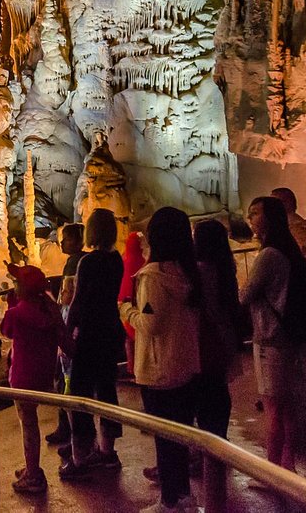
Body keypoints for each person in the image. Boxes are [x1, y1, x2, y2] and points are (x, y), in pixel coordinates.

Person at [120, 207, 202, 513]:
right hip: (184, 365)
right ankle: (183, 496)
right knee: (179, 437)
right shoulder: (186, 272)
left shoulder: (154, 277)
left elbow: (150, 325)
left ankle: (169, 502)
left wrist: (125, 309)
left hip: (158, 370)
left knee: (166, 441)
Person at [59, 209, 125, 481]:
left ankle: (80, 456)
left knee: (79, 393)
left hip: (89, 333)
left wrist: (65, 333)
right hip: (110, 330)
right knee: (107, 390)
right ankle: (108, 452)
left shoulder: (87, 263)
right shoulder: (116, 260)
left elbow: (78, 303)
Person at [240, 196, 303, 470]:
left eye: (255, 214)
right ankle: (287, 465)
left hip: (270, 336)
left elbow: (245, 294)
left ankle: (272, 469)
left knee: (273, 408)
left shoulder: (268, 255)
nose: (250, 219)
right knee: (286, 405)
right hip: (287, 335)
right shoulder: (287, 249)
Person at [0, 263, 62, 495]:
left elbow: (6, 330)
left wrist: (11, 305)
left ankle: (34, 474)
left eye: (16, 283)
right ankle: (31, 466)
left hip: (23, 376)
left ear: (24, 288)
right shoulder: (49, 308)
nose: (13, 285)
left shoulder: (17, 313)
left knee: (28, 424)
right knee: (30, 422)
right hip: (43, 373)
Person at [193, 219, 243, 441]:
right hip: (225, 334)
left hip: (206, 337)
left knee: (205, 392)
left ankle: (208, 442)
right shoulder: (226, 266)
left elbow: (208, 306)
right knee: (219, 389)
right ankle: (220, 436)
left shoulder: (201, 270)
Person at [44, 222, 84, 447]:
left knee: (64, 380)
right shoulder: (79, 261)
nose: (62, 243)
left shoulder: (75, 263)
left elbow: (68, 299)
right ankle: (70, 430)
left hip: (70, 327)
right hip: (74, 327)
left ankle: (68, 430)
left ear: (78, 240)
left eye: (67, 239)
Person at [119, 228, 147, 375]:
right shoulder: (145, 263)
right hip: (140, 304)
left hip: (128, 304)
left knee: (130, 339)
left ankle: (132, 368)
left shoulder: (125, 262)